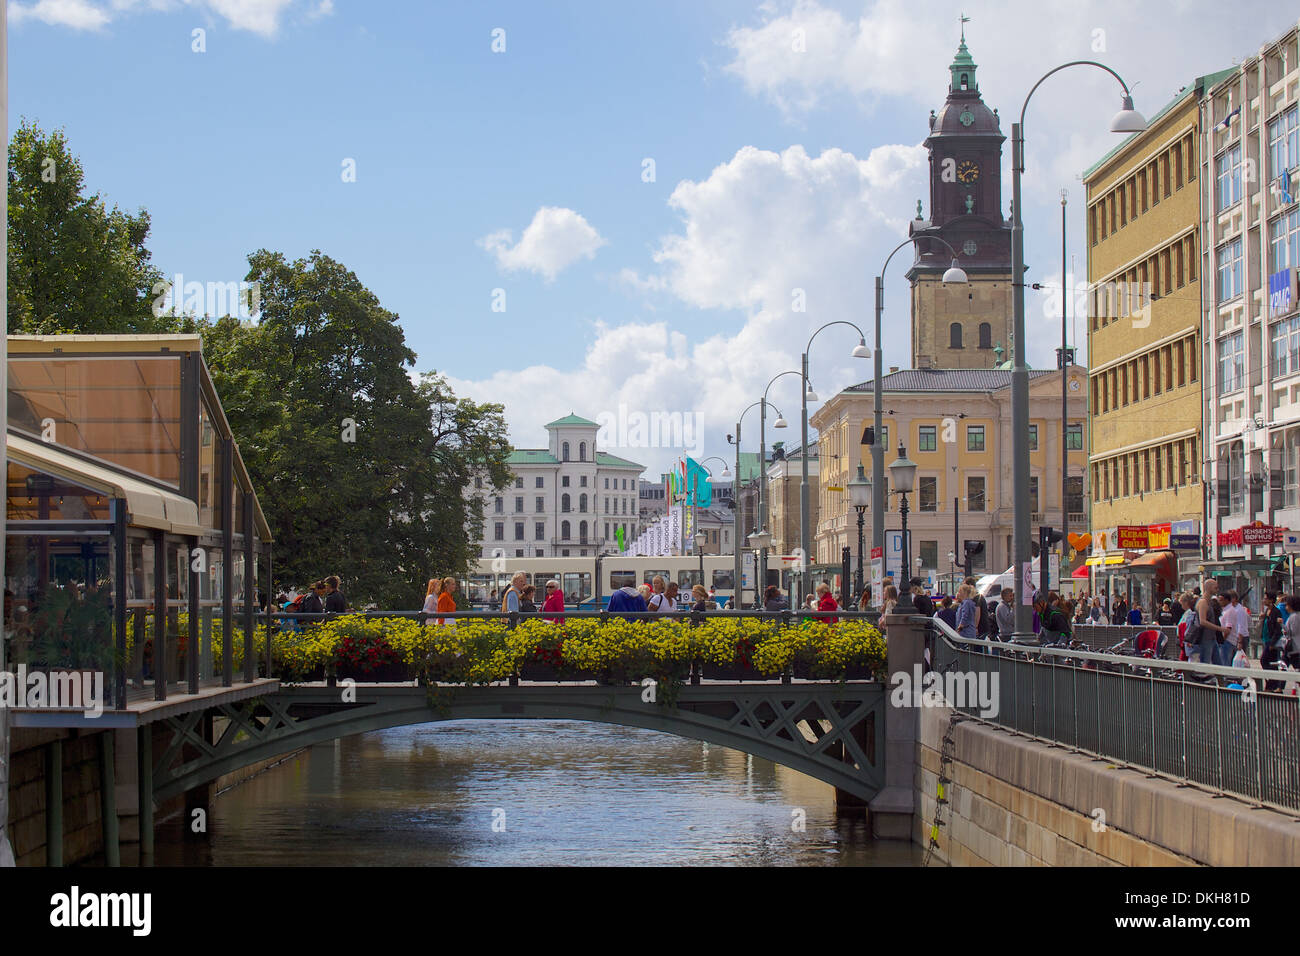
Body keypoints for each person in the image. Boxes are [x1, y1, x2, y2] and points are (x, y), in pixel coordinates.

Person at [1191, 579, 1228, 669]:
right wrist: (1220, 629)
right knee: (1205, 665)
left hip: (1211, 638)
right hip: (1205, 638)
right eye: (1215, 587)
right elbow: (1203, 621)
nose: (1217, 589)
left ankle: (1221, 681)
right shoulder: (1203, 602)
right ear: (1209, 588)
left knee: (1218, 665)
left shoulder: (1209, 601)